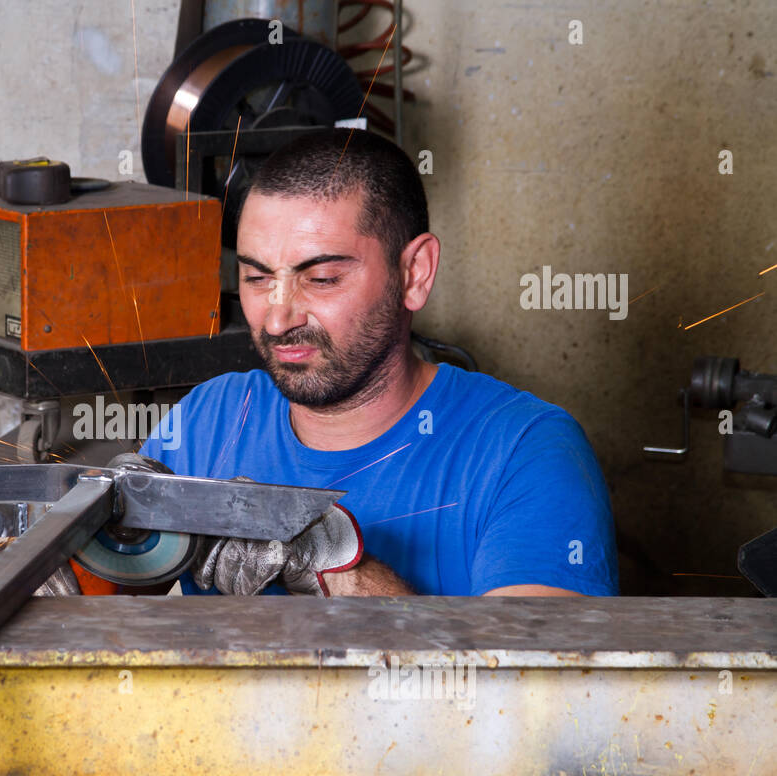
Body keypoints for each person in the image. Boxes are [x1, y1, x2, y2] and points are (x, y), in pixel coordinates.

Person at [135, 128, 617, 597]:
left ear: (414, 274)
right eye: (258, 278)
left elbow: (519, 678)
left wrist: (329, 566)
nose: (278, 318)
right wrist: (79, 554)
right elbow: (111, 592)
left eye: (321, 278)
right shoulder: (208, 421)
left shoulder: (524, 452)